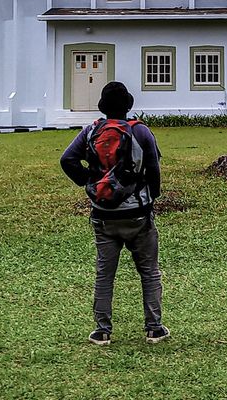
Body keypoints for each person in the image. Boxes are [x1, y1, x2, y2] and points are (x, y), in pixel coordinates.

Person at [60, 81, 168, 345]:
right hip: (138, 213)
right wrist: (150, 197)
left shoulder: (91, 130)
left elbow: (67, 160)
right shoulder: (141, 132)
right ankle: (154, 328)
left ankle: (102, 330)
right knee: (149, 272)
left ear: (102, 107)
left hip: (103, 214)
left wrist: (91, 183)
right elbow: (153, 170)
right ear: (129, 105)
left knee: (104, 273)